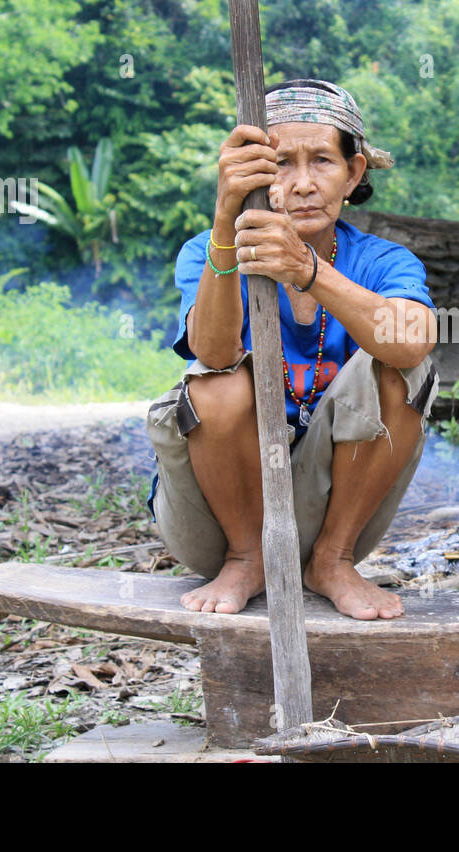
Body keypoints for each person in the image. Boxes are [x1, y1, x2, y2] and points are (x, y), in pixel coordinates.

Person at [144, 78, 439, 620]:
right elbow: (211, 349)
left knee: (404, 365)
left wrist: (307, 270)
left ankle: (331, 561)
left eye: (323, 161)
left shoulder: (383, 261)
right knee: (218, 381)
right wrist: (225, 218)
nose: (303, 183)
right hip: (217, 517)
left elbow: (413, 339)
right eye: (281, 163)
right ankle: (247, 557)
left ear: (353, 174)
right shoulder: (206, 250)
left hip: (330, 513)